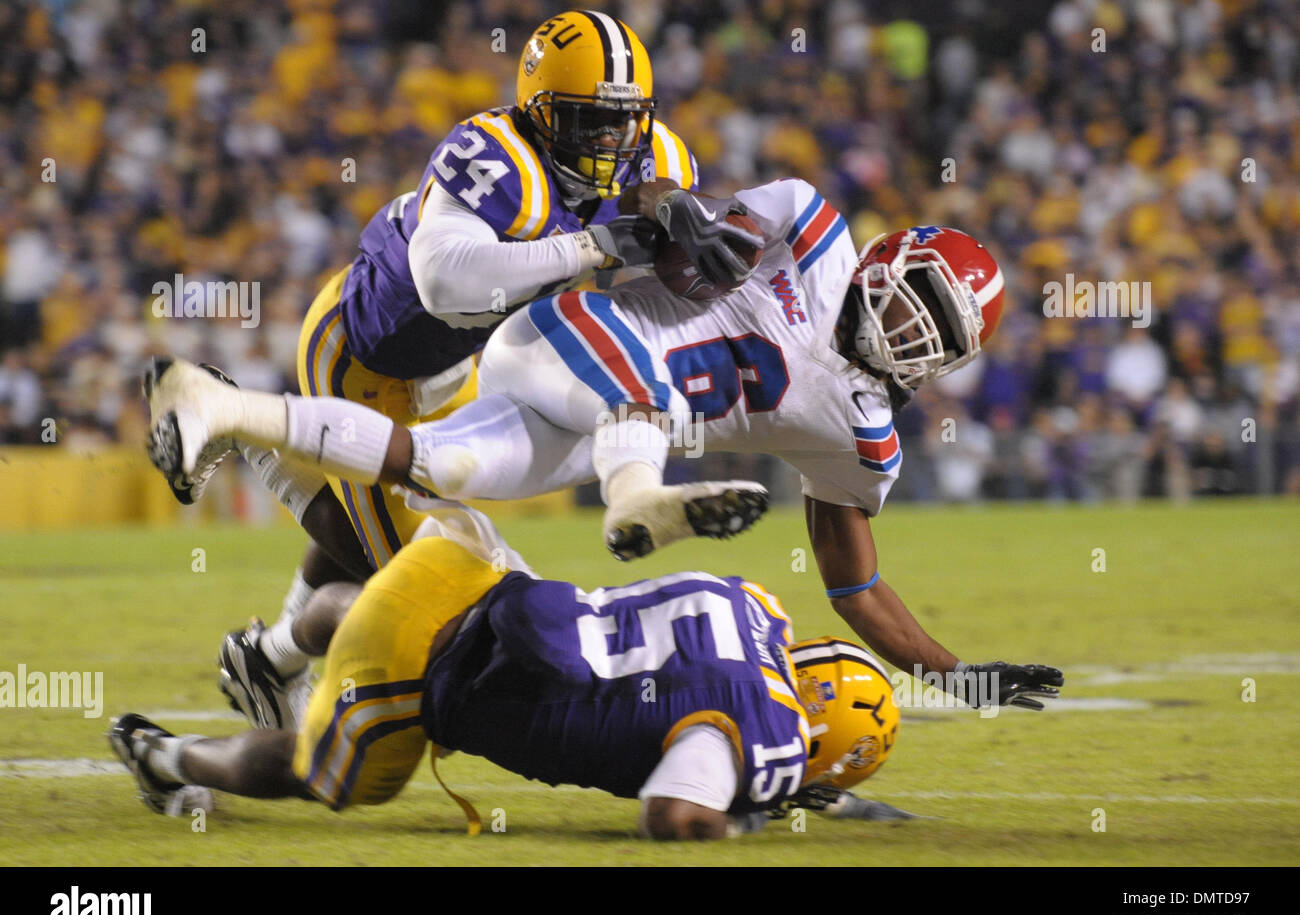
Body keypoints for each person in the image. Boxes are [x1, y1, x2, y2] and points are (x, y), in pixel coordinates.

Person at [144, 180, 1063, 727]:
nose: (912, 332)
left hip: (591, 428)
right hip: (575, 336)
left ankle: (229, 414)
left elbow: (855, 584)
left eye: (937, 333)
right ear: (884, 261)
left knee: (432, 469)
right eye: (915, 302)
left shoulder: (865, 437)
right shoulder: (813, 228)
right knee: (651, 401)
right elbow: (680, 240)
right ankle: (637, 503)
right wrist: (701, 236)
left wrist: (955, 674)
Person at [150, 11, 763, 730]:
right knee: (408, 574)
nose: (609, 141)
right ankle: (251, 439)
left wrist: (677, 215)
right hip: (368, 350)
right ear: (541, 113)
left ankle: (269, 657)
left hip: (456, 362)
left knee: (390, 515)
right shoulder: (494, 154)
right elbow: (447, 282)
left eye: (622, 122)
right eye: (589, 120)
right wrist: (593, 247)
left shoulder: (653, 153)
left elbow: (645, 191)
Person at [109, 505, 904, 840]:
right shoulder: (754, 735)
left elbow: (729, 694)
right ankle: (164, 758)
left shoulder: (755, 605)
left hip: (476, 580)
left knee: (378, 603)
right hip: (429, 676)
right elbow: (671, 813)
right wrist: (731, 819)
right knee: (327, 775)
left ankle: (273, 649)